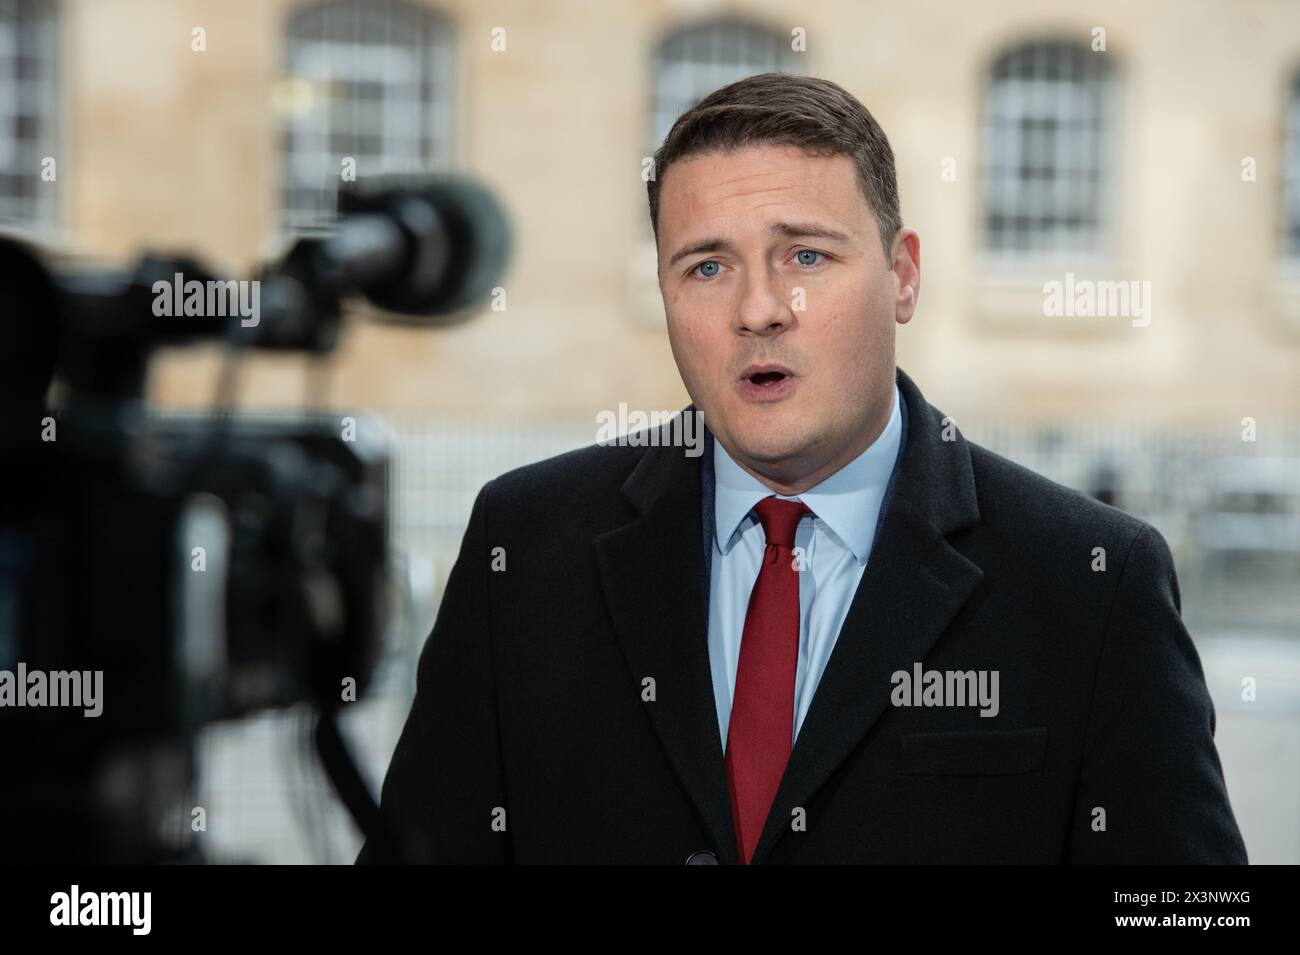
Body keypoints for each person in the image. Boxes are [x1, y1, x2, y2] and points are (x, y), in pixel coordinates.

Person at [357, 72, 1247, 864]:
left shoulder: (1093, 579)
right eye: (707, 266)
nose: (758, 309)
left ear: (903, 275)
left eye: (806, 256)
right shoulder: (524, 545)